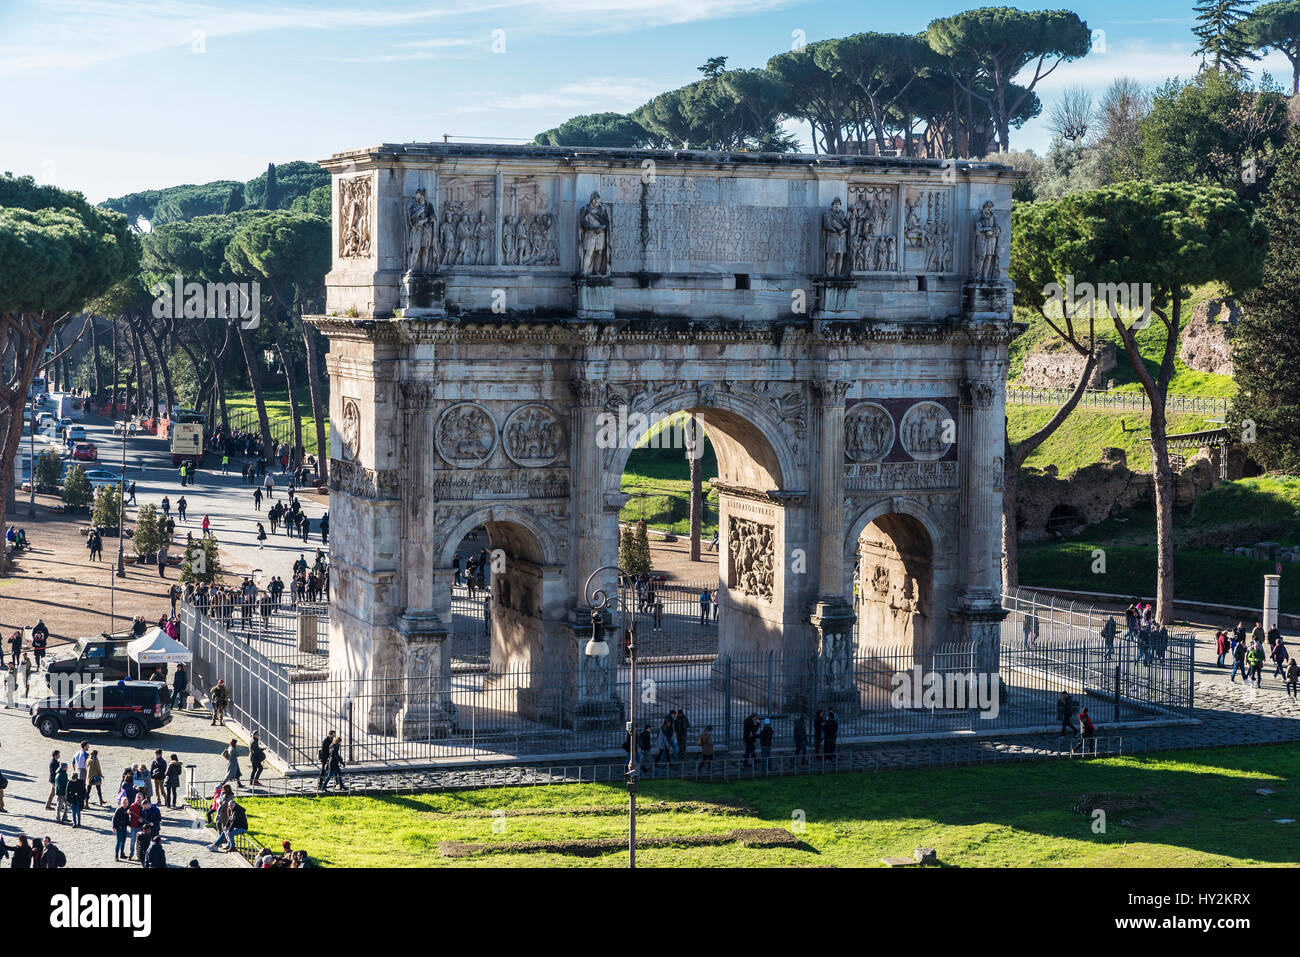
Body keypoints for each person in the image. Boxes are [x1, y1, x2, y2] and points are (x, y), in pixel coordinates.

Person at [137, 797, 161, 864]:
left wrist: (153, 823)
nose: (143, 808)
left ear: (148, 804)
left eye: (145, 807)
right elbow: (143, 818)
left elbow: (159, 819)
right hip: (147, 830)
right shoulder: (143, 810)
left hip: (154, 829)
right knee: (146, 844)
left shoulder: (155, 810)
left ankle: (156, 857)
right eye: (143, 807)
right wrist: (141, 820)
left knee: (155, 844)